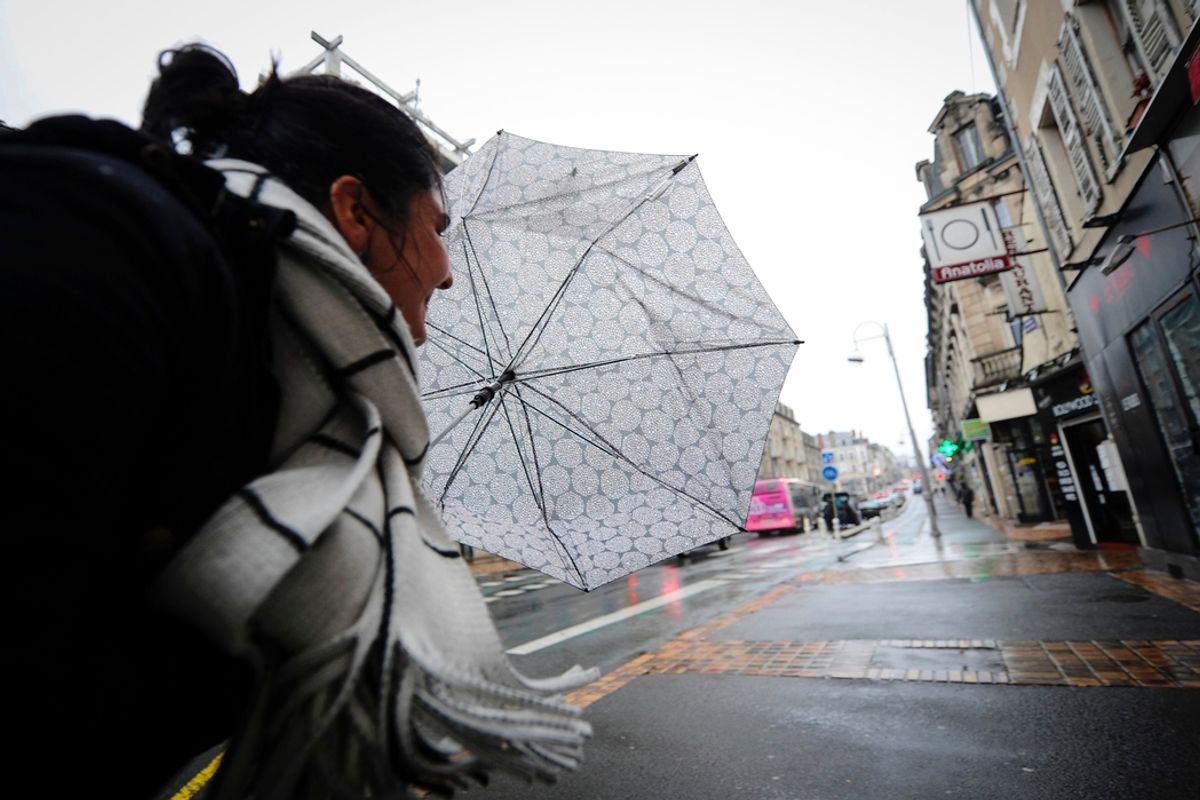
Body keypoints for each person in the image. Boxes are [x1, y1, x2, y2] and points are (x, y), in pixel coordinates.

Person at [1, 45, 590, 799]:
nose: (446, 269)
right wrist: (247, 645)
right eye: (437, 224)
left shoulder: (277, 368)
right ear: (354, 210)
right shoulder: (102, 241)